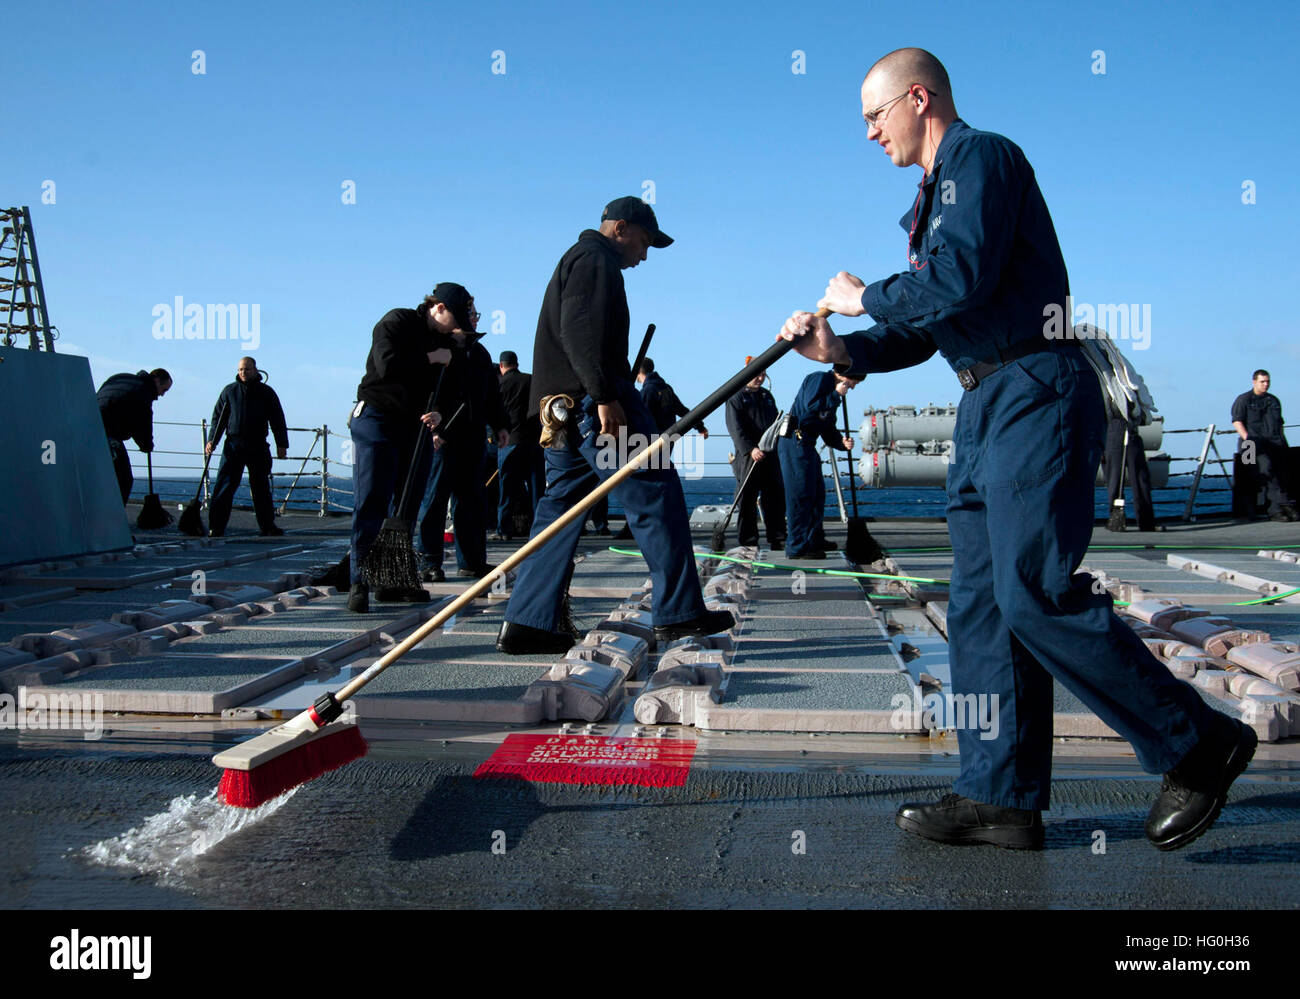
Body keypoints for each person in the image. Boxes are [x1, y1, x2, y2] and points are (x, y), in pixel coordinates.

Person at [780, 47, 1253, 851]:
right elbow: (929, 324)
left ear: (919, 98)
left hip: (1035, 391)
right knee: (981, 607)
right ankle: (1000, 793)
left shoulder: (982, 159)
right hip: (983, 401)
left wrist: (863, 295)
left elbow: (956, 278)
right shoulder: (936, 196)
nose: (868, 134)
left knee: (1033, 590)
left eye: (874, 115)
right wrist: (841, 348)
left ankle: (1198, 743)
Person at [496, 196, 733, 654]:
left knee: (560, 511)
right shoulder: (594, 258)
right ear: (620, 228)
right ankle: (680, 613)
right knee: (654, 492)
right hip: (596, 406)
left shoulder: (578, 258)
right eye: (644, 242)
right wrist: (604, 396)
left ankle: (529, 621)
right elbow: (578, 330)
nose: (644, 255)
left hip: (562, 414)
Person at [347, 283, 462, 612]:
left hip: (414, 424)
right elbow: (388, 365)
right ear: (437, 307)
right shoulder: (396, 321)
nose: (457, 328)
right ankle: (359, 581)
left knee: (406, 504)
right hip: (377, 416)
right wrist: (431, 358)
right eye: (454, 317)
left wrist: (442, 409)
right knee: (372, 498)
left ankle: (392, 579)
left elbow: (454, 387)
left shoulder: (444, 342)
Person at [414, 299, 508, 581]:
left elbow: (491, 395)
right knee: (434, 500)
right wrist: (431, 430)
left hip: (473, 436)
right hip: (442, 438)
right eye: (470, 315)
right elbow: (423, 389)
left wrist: (501, 424)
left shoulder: (479, 354)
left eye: (476, 315)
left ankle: (472, 561)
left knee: (472, 501)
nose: (475, 320)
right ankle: (430, 562)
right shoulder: (437, 348)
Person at [204, 357, 289, 537]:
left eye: (247, 369)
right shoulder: (229, 391)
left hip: (258, 444)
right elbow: (218, 418)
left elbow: (277, 419)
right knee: (225, 485)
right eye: (241, 369)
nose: (243, 373)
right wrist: (213, 440)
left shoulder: (267, 392)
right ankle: (216, 526)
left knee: (261, 487)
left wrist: (282, 444)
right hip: (233, 444)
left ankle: (267, 526)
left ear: (256, 370)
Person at [777, 371, 857, 559]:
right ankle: (797, 547)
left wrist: (841, 443)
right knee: (800, 495)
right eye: (854, 381)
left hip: (807, 444)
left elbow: (827, 427)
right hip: (794, 442)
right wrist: (836, 395)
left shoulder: (832, 393)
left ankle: (814, 539)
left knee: (816, 493)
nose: (852, 387)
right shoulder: (820, 379)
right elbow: (810, 407)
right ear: (845, 375)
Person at [724, 366, 787, 549]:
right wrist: (750, 449)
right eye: (757, 375)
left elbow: (775, 422)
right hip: (748, 457)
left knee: (774, 496)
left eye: (762, 375)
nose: (760, 378)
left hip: (769, 453)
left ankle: (777, 536)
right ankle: (748, 540)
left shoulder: (766, 396)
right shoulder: (735, 398)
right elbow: (735, 428)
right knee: (747, 499)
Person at [96, 368, 172, 504]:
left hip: (89, 427)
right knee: (124, 478)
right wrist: (147, 445)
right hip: (108, 433)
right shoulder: (144, 394)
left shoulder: (120, 376)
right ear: (156, 381)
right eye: (164, 390)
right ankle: (115, 515)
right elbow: (143, 425)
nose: (162, 395)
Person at [1232, 369, 1297, 522]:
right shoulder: (1244, 400)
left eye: (1267, 381)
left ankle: (1282, 505)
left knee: (1281, 472)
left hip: (1273, 442)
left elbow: (1279, 424)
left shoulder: (1273, 401)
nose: (1265, 384)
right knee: (1262, 470)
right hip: (1251, 444)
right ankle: (1271, 509)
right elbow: (1237, 421)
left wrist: (1283, 444)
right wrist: (1249, 441)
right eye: (1262, 381)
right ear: (1254, 382)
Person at [494, 350, 542, 540]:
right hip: (533, 439)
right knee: (536, 488)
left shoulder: (500, 384)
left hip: (509, 440)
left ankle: (504, 529)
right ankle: (540, 529)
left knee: (506, 488)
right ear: (517, 363)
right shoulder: (531, 380)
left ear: (501, 365)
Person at [1102, 413, 1156, 532]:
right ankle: (1117, 520)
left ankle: (1144, 522)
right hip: (1115, 430)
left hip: (1126, 432)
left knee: (1140, 479)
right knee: (1115, 481)